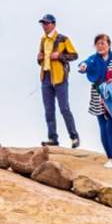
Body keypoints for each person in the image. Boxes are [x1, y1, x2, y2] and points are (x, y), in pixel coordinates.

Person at [78, 34, 112, 169]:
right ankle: (109, 156)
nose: (100, 46)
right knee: (102, 126)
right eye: (97, 44)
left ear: (109, 44)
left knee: (111, 126)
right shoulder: (93, 59)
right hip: (97, 95)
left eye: (103, 43)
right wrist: (83, 66)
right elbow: (83, 64)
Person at [36, 14, 80, 148]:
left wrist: (60, 56)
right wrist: (39, 58)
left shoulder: (63, 39)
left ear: (54, 24)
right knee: (49, 110)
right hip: (46, 77)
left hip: (60, 78)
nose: (45, 26)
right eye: (43, 23)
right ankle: (52, 138)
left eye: (47, 23)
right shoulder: (43, 40)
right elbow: (40, 61)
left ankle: (74, 137)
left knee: (64, 108)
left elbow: (74, 55)